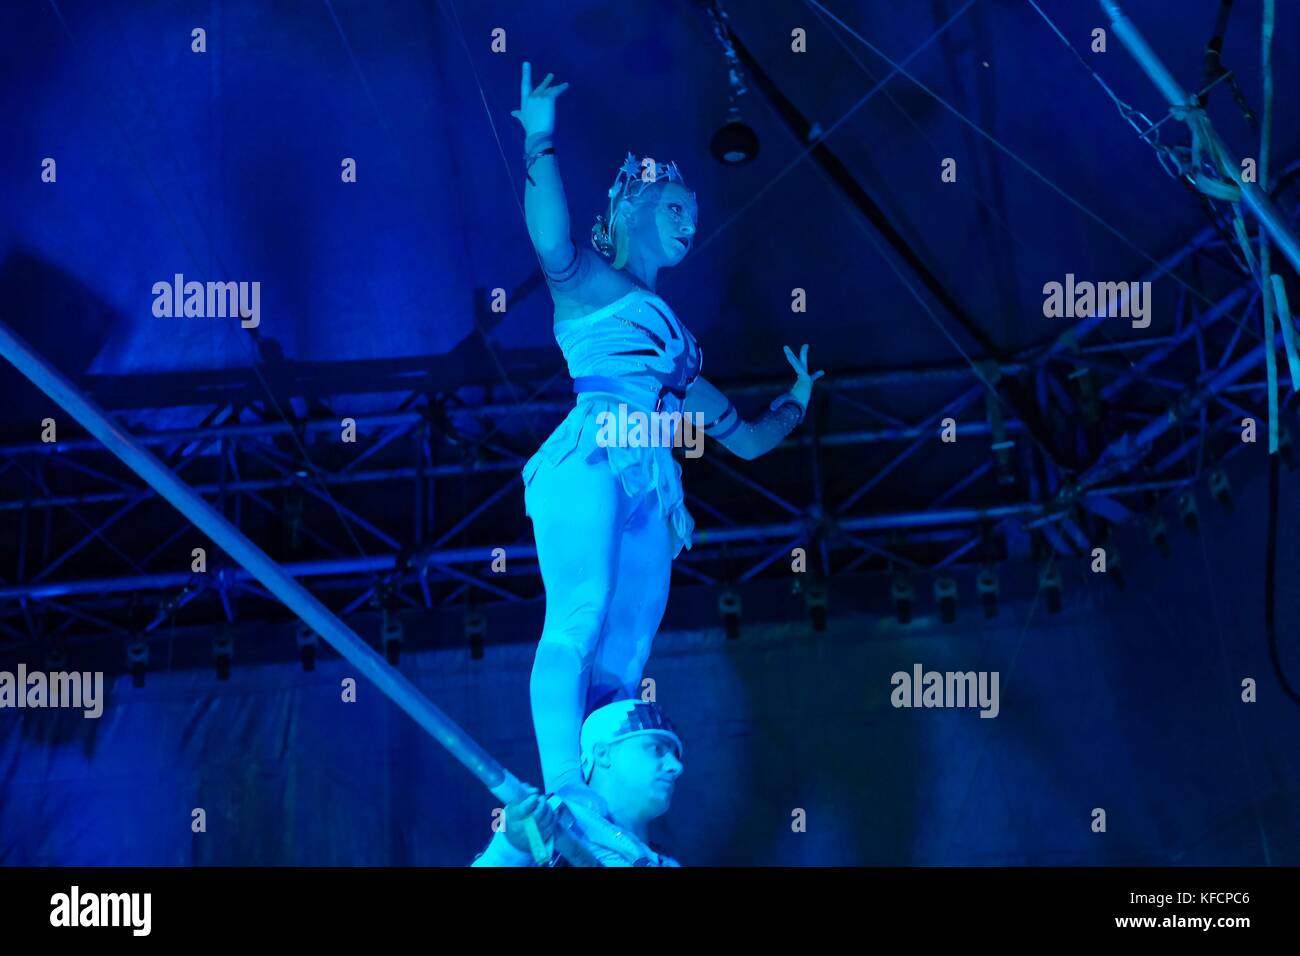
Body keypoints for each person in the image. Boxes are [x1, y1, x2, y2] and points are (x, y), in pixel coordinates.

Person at [511, 62, 824, 813]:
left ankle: (604, 797)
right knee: (581, 614)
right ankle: (562, 791)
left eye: (692, 213)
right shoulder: (590, 284)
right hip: (594, 449)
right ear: (637, 209)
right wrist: (540, 141)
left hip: (652, 470)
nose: (690, 224)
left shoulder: (679, 349)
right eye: (678, 207)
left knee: (628, 653)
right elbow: (549, 236)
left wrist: (797, 403)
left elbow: (744, 441)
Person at [471, 699, 684, 866]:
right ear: (603, 754)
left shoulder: (668, 863)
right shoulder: (548, 831)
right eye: (657, 748)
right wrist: (512, 850)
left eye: (675, 755)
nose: (676, 766)